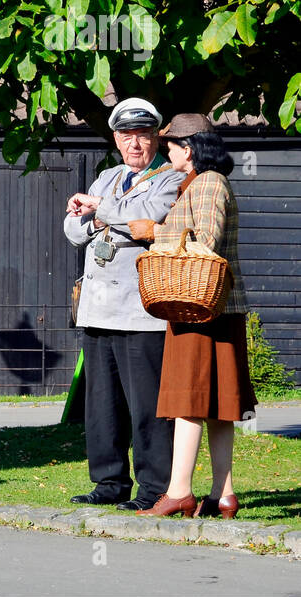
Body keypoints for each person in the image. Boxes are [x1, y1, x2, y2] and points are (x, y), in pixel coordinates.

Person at [126, 115, 256, 518]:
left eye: (172, 145)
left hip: (202, 307)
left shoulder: (208, 182)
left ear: (191, 147)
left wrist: (155, 232)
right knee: (218, 406)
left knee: (188, 400)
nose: (166, 150)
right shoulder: (200, 182)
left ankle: (179, 491)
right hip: (211, 307)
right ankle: (223, 495)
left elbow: (207, 239)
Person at [63, 97, 183, 510]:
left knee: (148, 408)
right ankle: (109, 483)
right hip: (97, 309)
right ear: (116, 139)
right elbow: (73, 230)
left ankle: (155, 489)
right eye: (127, 136)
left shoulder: (169, 178)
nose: (136, 144)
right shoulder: (108, 177)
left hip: (141, 311)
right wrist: (98, 216)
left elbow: (150, 217)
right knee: (103, 407)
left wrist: (99, 211)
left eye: (144, 135)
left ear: (156, 138)